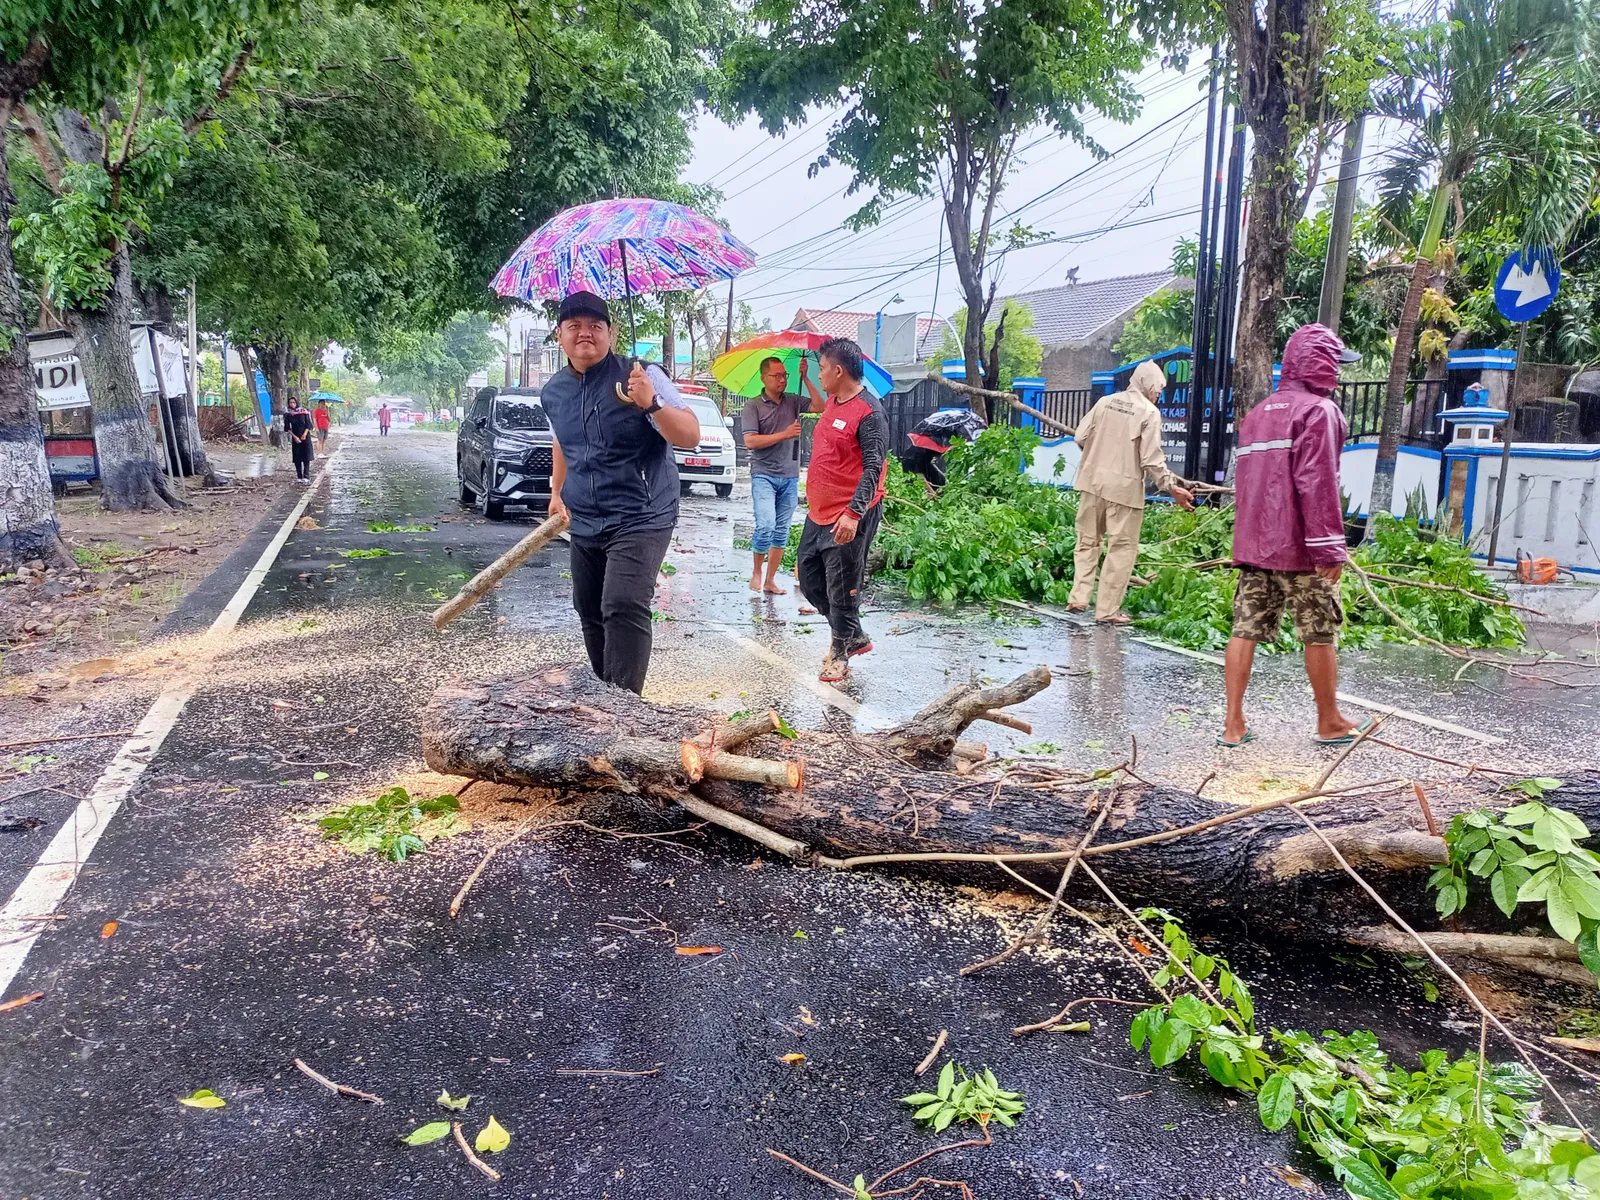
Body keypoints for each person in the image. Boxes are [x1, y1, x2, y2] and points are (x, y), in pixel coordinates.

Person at [1221, 322, 1369, 748]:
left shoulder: (1256, 415)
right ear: (1317, 363)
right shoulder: (1318, 412)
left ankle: (1233, 726)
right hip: (1302, 549)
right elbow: (1317, 482)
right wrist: (1330, 548)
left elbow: (1250, 486)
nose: (1338, 373)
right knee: (1320, 631)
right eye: (1335, 363)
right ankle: (1330, 721)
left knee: (1244, 628)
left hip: (1255, 548)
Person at [544, 291, 700, 694]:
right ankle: (604, 696)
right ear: (559, 335)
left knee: (623, 603)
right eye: (574, 326)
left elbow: (690, 434)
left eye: (595, 326)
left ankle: (624, 708)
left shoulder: (642, 375)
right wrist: (556, 490)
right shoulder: (554, 391)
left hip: (642, 512)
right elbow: (563, 440)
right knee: (590, 608)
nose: (585, 334)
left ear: (611, 332)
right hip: (586, 516)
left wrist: (650, 403)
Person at [1068, 360, 1195, 623]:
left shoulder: (1105, 402)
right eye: (1158, 391)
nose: (1158, 396)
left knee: (1087, 542)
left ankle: (1079, 597)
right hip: (1124, 491)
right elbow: (1151, 460)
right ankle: (1107, 611)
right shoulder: (1148, 412)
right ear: (1148, 386)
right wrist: (1172, 488)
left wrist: (1097, 457)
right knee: (1122, 548)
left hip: (1091, 482)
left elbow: (1080, 437)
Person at [797, 337, 888, 684]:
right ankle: (853, 634)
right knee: (808, 578)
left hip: (849, 511)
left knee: (841, 585)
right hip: (819, 510)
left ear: (838, 370)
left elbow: (874, 466)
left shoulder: (869, 412)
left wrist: (853, 512)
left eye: (821, 369)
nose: (820, 376)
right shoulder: (833, 401)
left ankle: (839, 653)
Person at [740, 355, 805, 594]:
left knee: (782, 530)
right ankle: (756, 573)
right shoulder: (753, 406)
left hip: (790, 475)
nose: (782, 380)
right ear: (763, 377)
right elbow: (750, 441)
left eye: (785, 375)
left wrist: (805, 377)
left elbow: (821, 405)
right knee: (766, 524)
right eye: (776, 375)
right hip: (764, 474)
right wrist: (785, 434)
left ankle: (770, 580)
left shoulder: (794, 402)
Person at [284, 394, 314, 482]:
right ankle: (299, 476)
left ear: (297, 403)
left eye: (294, 402)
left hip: (305, 437)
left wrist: (304, 434)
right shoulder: (288, 415)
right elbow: (287, 428)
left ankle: (306, 476)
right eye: (290, 403)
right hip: (295, 437)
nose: (292, 404)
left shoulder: (304, 412)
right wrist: (295, 437)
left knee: (306, 457)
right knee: (297, 457)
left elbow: (308, 424)